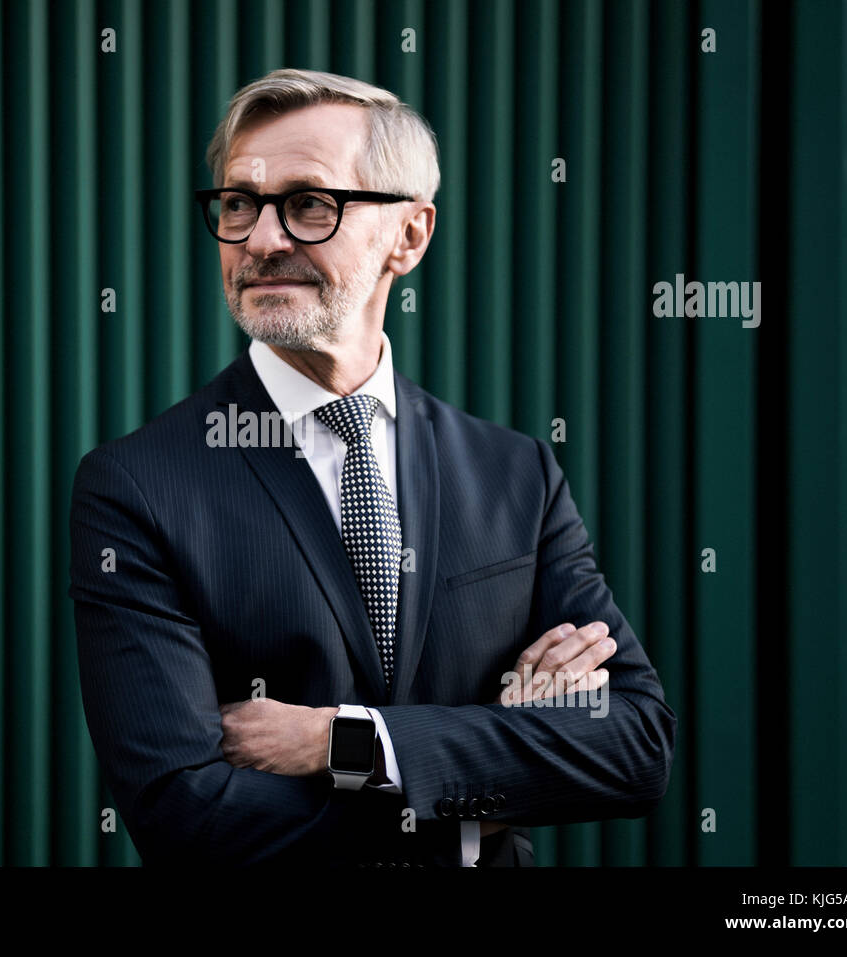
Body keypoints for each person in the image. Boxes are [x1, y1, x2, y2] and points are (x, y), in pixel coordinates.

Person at [69, 68, 676, 867]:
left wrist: (345, 738)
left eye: (309, 204)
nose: (260, 239)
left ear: (409, 236)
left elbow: (632, 746)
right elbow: (186, 813)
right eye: (239, 204)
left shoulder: (515, 475)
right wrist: (477, 793)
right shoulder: (139, 486)